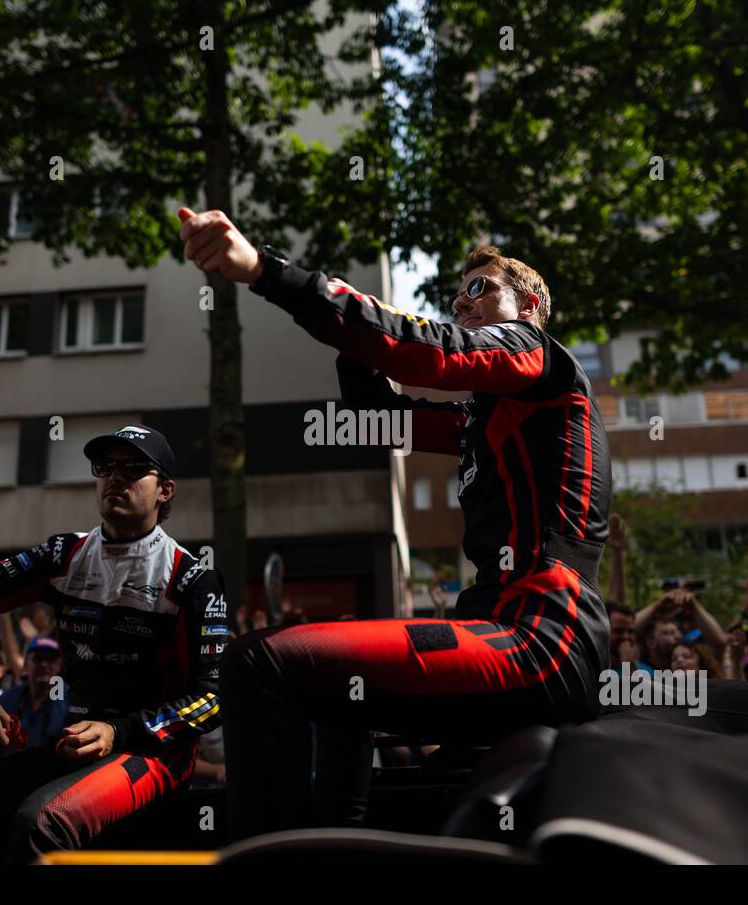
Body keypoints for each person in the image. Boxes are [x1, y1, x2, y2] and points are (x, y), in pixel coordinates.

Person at [176, 207, 610, 838]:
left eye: (479, 289)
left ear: (533, 303)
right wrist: (346, 333)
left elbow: (429, 355)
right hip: (500, 627)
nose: (462, 305)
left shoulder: (535, 353)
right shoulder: (479, 420)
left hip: (543, 639)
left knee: (257, 664)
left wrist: (267, 271)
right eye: (457, 296)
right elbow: (378, 415)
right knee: (339, 690)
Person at [0, 425, 229, 863]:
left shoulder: (192, 578)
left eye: (134, 468)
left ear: (165, 490)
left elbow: (214, 698)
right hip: (71, 745)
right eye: (105, 467)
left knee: (42, 824)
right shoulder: (65, 553)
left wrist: (121, 729)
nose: (115, 478)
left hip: (152, 752)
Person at [0, 635, 69, 755]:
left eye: (50, 659)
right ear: (25, 664)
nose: (44, 664)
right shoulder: (8, 699)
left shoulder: (69, 698)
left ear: (59, 666)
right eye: (38, 658)